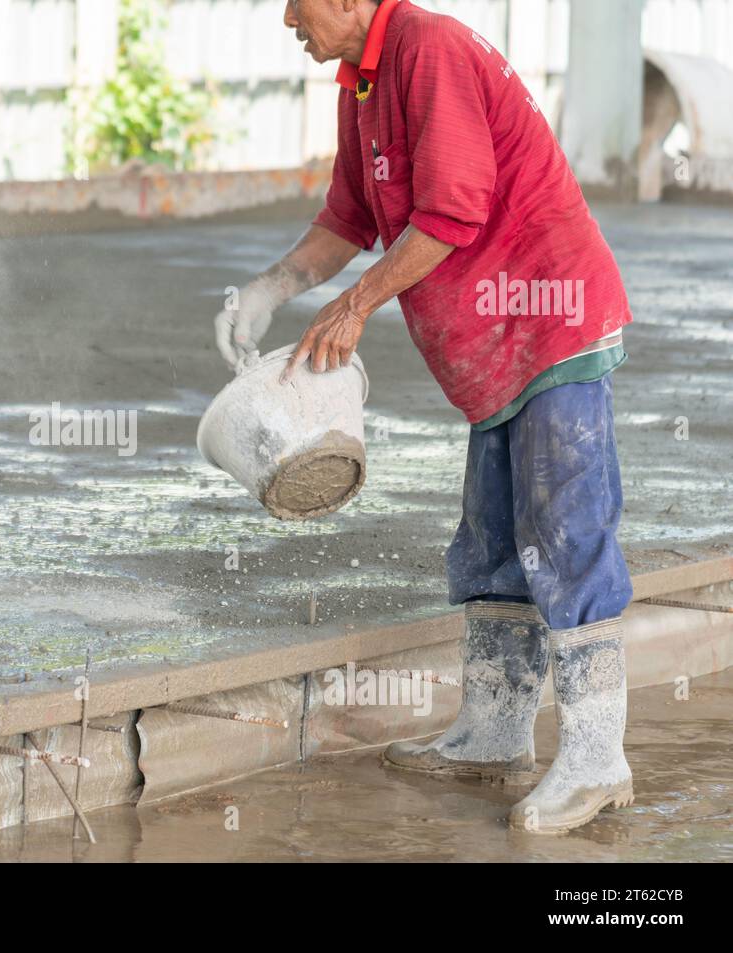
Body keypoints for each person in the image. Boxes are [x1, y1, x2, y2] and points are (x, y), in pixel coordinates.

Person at [214, 0, 634, 833]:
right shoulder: (361, 82)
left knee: (563, 528)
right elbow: (349, 217)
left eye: (295, 3)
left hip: (548, 320)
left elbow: (454, 210)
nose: (288, 20)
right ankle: (496, 728)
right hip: (494, 350)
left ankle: (596, 756)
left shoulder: (426, 49)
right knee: (489, 538)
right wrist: (268, 288)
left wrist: (355, 304)